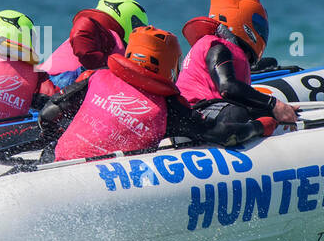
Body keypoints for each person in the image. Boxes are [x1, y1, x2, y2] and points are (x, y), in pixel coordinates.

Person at [40, 26, 222, 161]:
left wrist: (54, 134)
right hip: (105, 182)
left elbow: (48, 113)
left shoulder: (98, 76)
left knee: (52, 148)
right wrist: (250, 128)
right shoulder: (169, 106)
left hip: (59, 163)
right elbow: (216, 132)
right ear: (167, 64)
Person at [176, 0, 298, 147]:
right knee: (239, 111)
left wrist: (277, 109)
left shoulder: (213, 44)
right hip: (197, 116)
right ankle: (251, 130)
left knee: (252, 109)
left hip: (199, 115)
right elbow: (228, 88)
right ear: (243, 21)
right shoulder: (218, 47)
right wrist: (273, 104)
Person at [39, 0, 149, 93]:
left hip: (41, 82)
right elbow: (84, 28)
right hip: (59, 85)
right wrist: (100, 65)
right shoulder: (108, 34)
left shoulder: (96, 38)